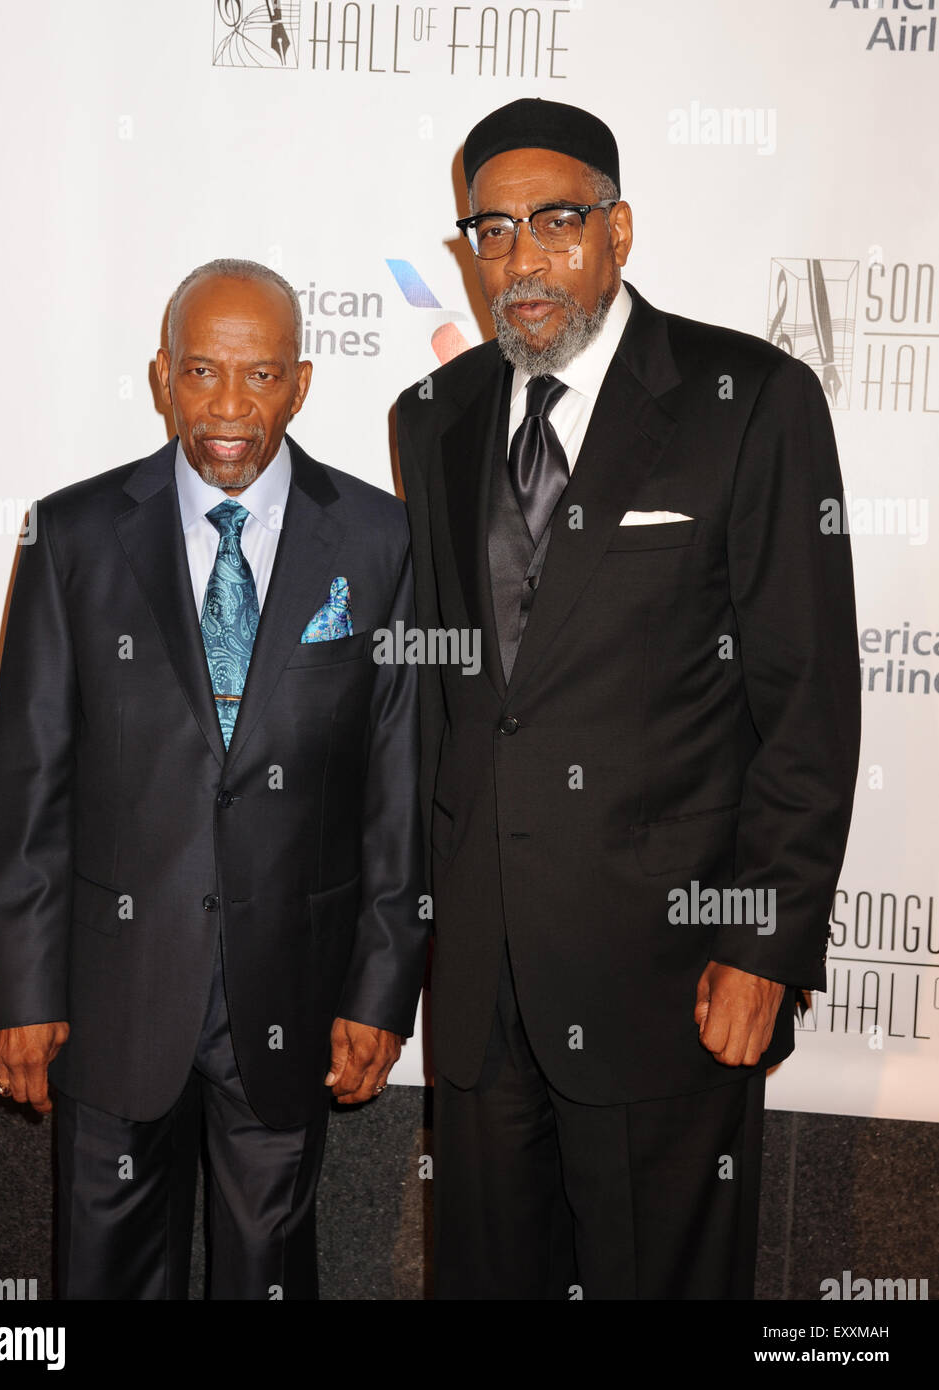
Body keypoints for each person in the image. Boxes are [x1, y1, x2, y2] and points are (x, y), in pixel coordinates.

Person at [395, 98, 860, 1300]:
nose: (521, 257)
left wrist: (762, 942)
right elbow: (455, 707)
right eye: (490, 230)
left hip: (668, 980)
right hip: (483, 988)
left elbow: (805, 698)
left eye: (555, 220)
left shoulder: (745, 399)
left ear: (619, 230)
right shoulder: (432, 420)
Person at [0, 258, 426, 1300]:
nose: (230, 408)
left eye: (262, 375)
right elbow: (27, 782)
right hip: (112, 995)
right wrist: (22, 990)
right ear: (161, 378)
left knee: (267, 1272)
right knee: (104, 1276)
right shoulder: (76, 535)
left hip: (292, 993)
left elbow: (396, 788)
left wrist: (380, 987)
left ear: (303, 382)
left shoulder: (379, 540)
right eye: (202, 373)